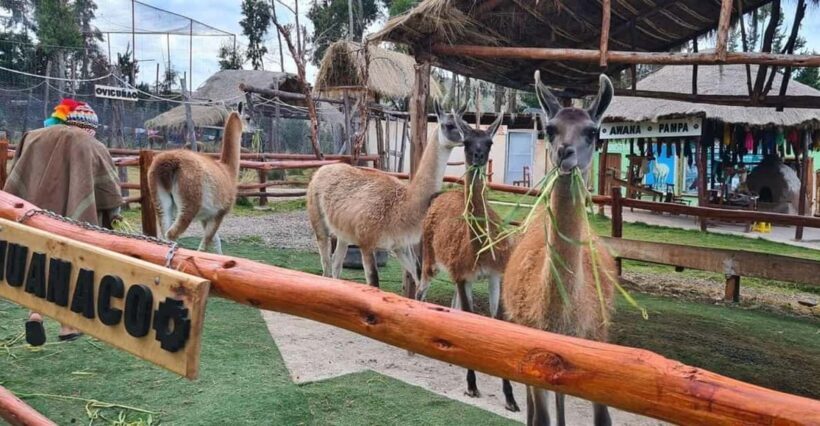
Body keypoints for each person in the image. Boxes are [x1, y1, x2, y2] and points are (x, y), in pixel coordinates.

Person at [4, 98, 122, 346]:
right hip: (72, 222)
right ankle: (67, 325)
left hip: (33, 216)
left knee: (36, 261)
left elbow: (18, 173)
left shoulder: (33, 137)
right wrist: (114, 215)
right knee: (71, 265)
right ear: (89, 126)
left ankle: (35, 314)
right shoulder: (90, 144)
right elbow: (110, 189)